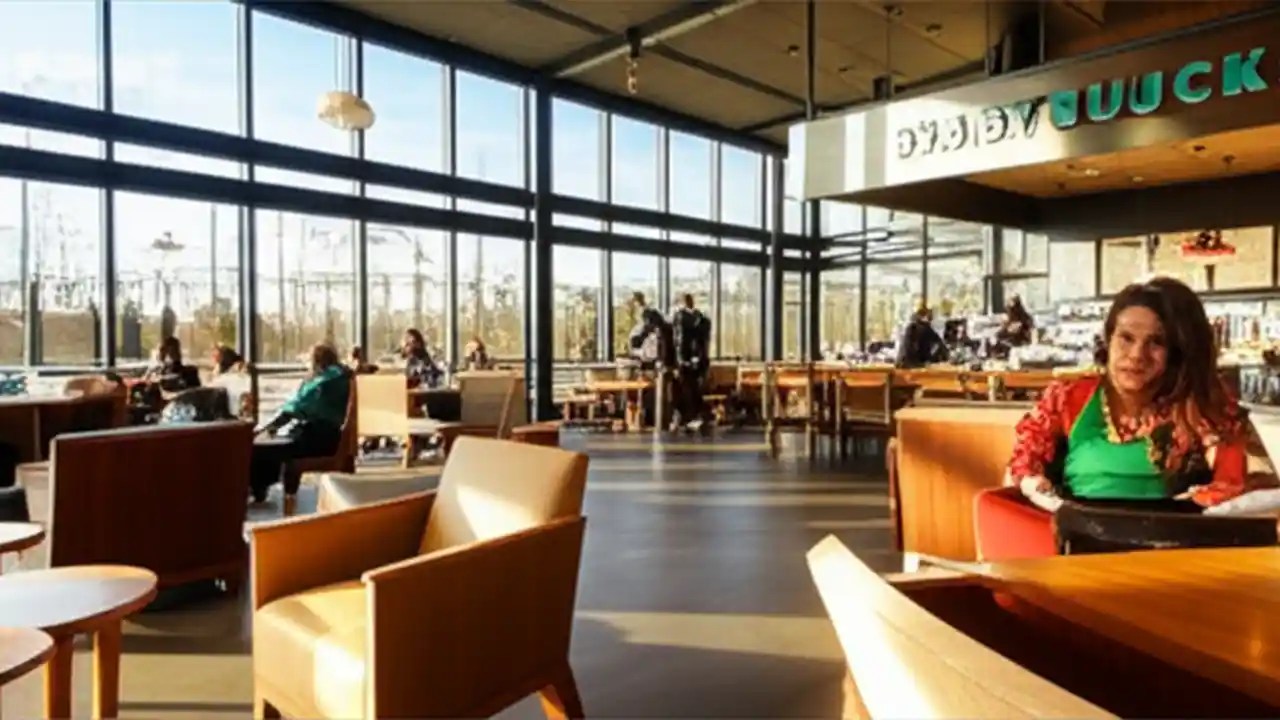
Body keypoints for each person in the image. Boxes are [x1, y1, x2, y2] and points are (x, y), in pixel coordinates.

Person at [1008, 277, 1249, 513]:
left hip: (1175, 541)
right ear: (1108, 340)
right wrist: (1033, 483)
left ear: (1176, 354)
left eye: (1156, 342)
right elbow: (1023, 462)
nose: (1137, 355)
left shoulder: (1198, 405)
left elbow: (1230, 483)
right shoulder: (1067, 398)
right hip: (1078, 538)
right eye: (1126, 338)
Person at [250, 343, 351, 503]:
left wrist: (267, 429)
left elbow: (295, 408)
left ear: (316, 361)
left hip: (316, 438)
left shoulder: (323, 382)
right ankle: (260, 486)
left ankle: (257, 490)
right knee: (273, 446)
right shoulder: (341, 377)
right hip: (330, 436)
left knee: (262, 449)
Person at [671, 293, 711, 429]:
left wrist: (680, 360)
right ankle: (697, 416)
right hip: (699, 360)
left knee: (685, 389)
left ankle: (687, 417)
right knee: (696, 389)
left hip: (686, 361)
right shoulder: (701, 318)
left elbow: (680, 341)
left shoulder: (680, 317)